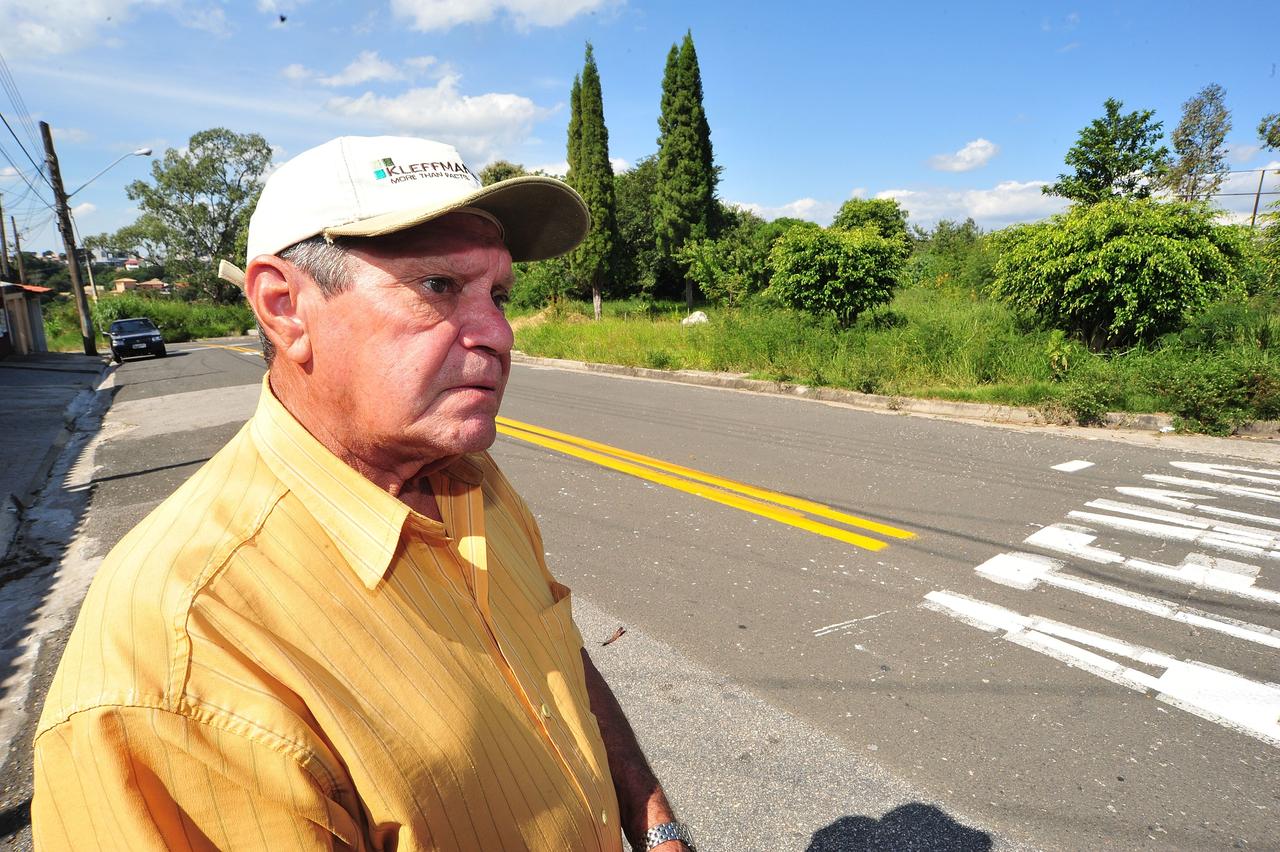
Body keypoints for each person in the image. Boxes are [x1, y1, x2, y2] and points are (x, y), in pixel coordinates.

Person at [31, 136, 695, 852]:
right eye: (438, 286)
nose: (499, 333)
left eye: (499, 294)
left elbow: (556, 654)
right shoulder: (181, 660)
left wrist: (656, 825)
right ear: (285, 307)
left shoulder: (470, 480)